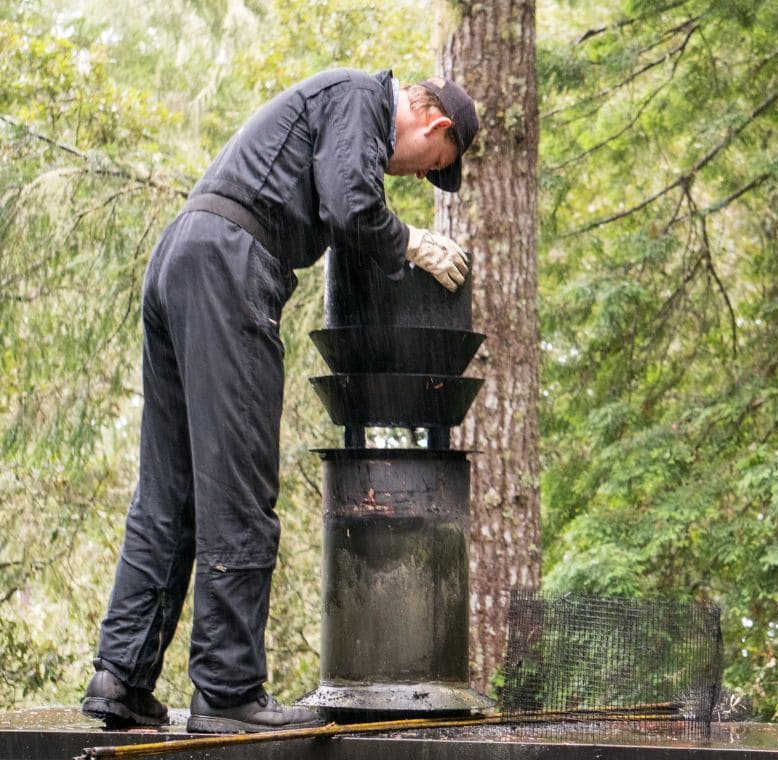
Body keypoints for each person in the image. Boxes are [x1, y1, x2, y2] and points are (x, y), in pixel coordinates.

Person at [79, 68, 479, 734]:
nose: (416, 176)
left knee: (170, 491)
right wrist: (412, 242)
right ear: (434, 124)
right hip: (229, 266)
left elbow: (342, 205)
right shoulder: (362, 98)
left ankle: (120, 677)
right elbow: (352, 207)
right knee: (239, 488)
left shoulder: (340, 112)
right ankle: (228, 690)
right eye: (430, 165)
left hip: (184, 255)